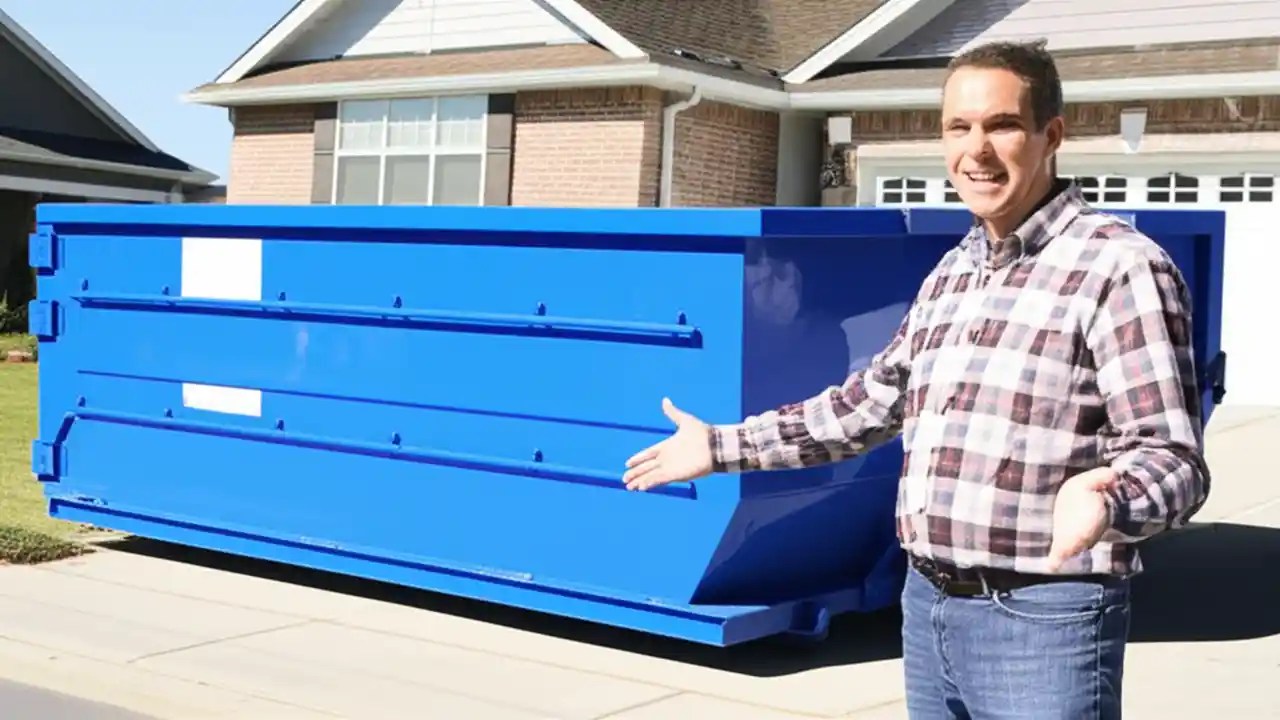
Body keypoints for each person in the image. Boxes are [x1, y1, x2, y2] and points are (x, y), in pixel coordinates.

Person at [622, 39, 1210, 719]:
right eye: (959, 127)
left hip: (1044, 619)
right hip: (926, 608)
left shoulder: (1120, 269)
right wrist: (722, 448)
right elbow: (864, 407)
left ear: (1052, 135)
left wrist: (1113, 503)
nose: (977, 150)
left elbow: (1174, 460)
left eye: (1002, 125)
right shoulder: (955, 271)